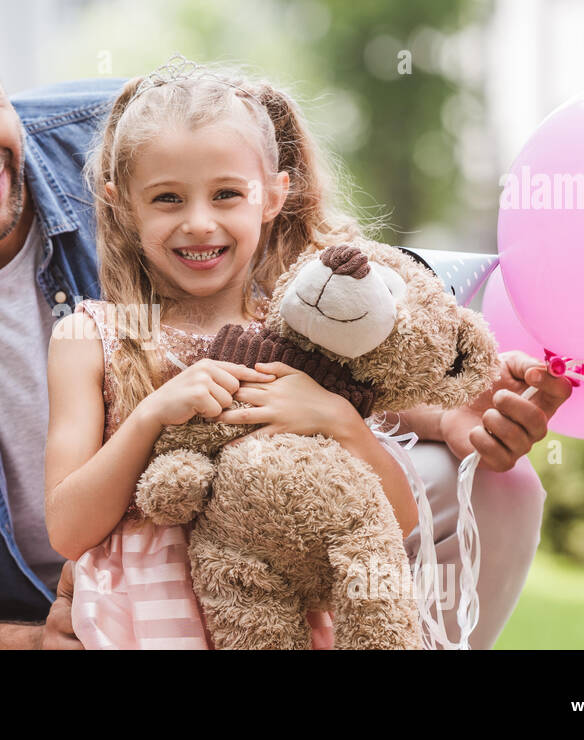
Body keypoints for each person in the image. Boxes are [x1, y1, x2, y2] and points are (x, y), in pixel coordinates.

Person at [0, 0, 571, 650]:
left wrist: (443, 408)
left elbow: (323, 314)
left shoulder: (125, 137)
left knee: (496, 484)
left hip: (262, 535)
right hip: (54, 600)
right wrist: (35, 644)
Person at [45, 66, 423, 648]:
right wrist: (151, 415)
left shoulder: (308, 337)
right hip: (145, 626)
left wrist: (338, 420)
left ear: (274, 195)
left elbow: (398, 522)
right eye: (167, 198)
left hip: (284, 617)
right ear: (122, 206)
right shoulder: (92, 337)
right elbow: (67, 529)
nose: (199, 222)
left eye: (227, 193)